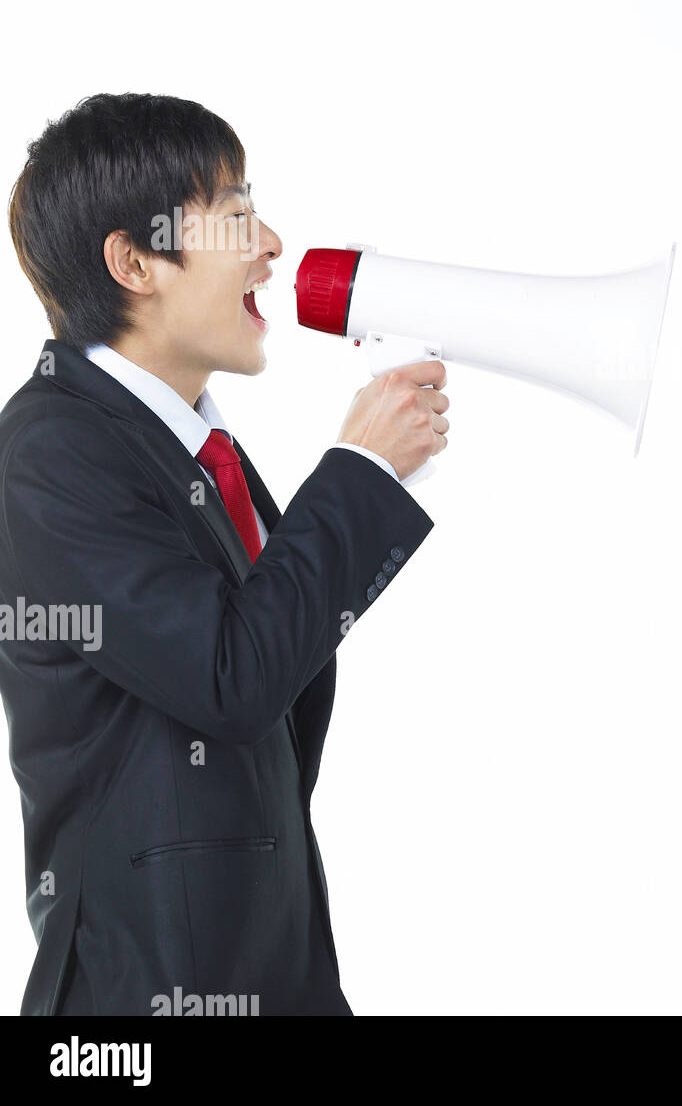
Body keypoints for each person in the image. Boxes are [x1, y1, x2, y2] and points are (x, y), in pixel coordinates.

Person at [0, 92, 449, 1015]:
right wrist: (361, 471)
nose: (271, 244)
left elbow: (271, 671)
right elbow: (231, 676)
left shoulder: (195, 452)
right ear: (135, 262)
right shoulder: (50, 450)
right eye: (236, 215)